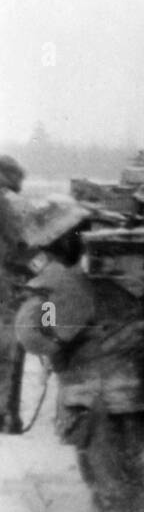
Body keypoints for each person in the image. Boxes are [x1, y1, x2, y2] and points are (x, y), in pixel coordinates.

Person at [13, 195, 144, 512]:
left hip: (95, 398)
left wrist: (36, 301)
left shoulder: (67, 282)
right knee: (132, 474)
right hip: (133, 392)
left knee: (107, 482)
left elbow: (41, 335)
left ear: (61, 239)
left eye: (47, 247)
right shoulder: (122, 270)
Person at [1, 156, 30, 433]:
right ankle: (7, 417)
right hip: (5, 286)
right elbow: (21, 242)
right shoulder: (6, 203)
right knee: (9, 352)